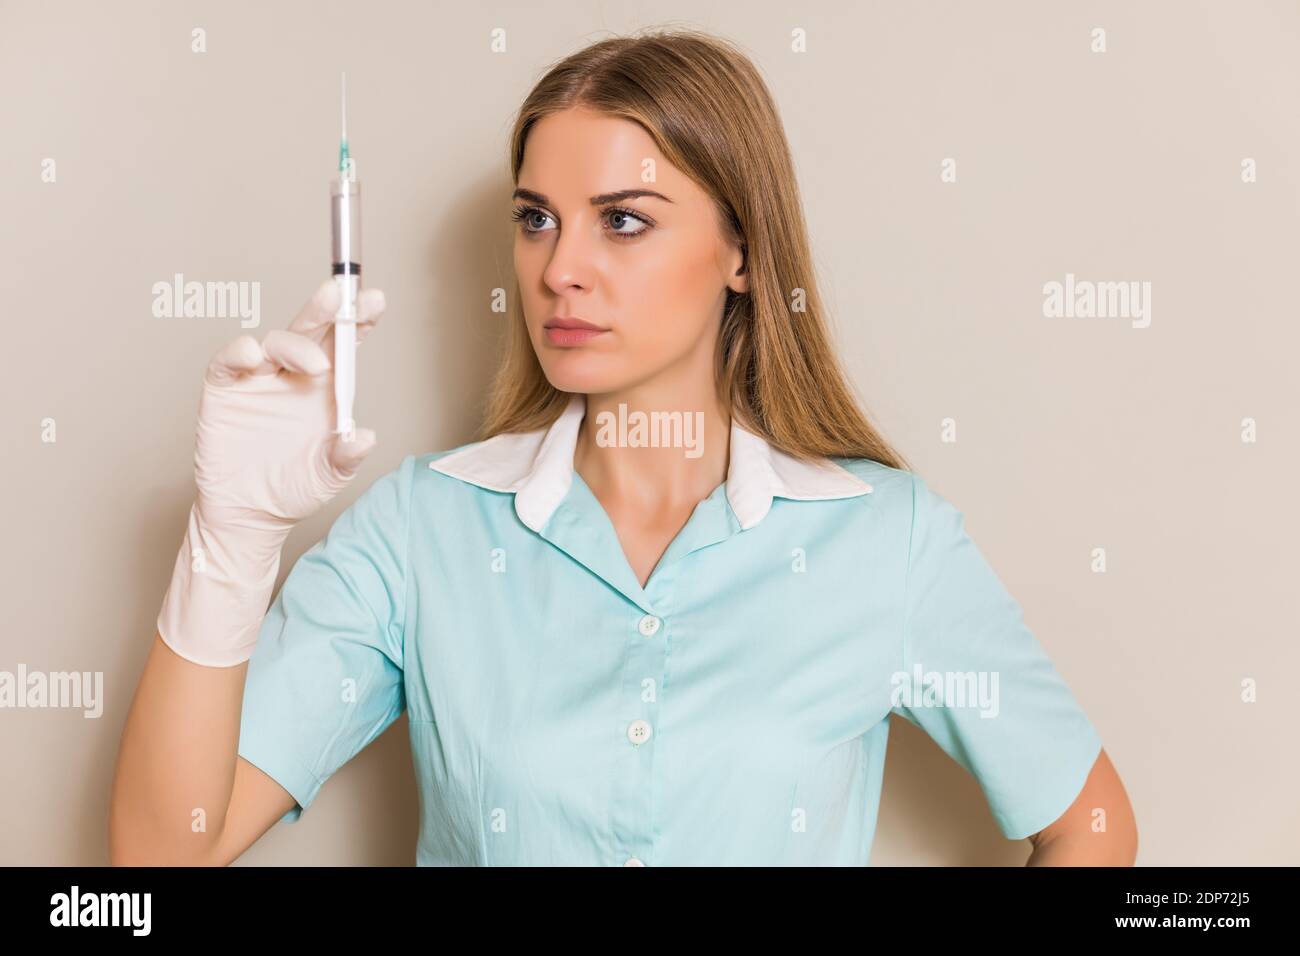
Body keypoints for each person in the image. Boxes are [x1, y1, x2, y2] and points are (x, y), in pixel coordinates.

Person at [109, 28, 1137, 866]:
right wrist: (229, 538)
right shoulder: (420, 531)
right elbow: (158, 859)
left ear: (741, 249)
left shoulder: (886, 541)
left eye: (623, 221)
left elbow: (1090, 826)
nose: (562, 269)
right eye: (537, 219)